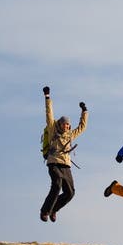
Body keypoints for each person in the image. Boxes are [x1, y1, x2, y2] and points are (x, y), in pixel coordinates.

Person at [40, 85, 88, 222]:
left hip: (66, 165)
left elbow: (82, 127)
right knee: (57, 185)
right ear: (59, 124)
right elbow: (49, 114)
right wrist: (47, 97)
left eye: (68, 125)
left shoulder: (70, 135)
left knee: (70, 193)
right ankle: (45, 211)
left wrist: (84, 111)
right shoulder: (52, 130)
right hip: (54, 162)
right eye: (64, 124)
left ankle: (54, 209)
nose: (66, 126)